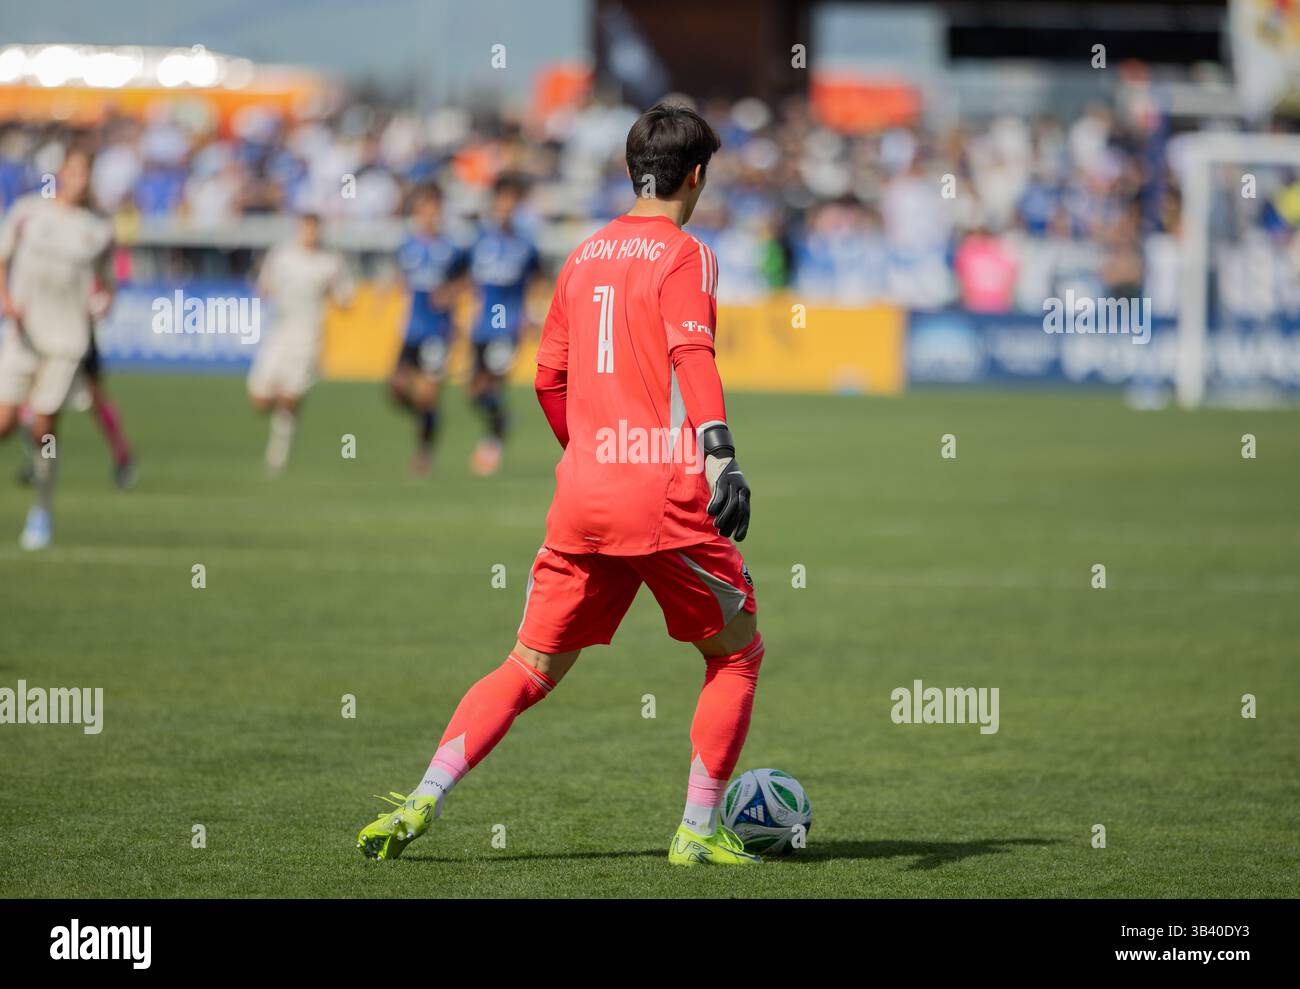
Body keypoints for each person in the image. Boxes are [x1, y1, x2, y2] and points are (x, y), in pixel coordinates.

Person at [357, 103, 762, 866]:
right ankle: (697, 832)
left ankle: (420, 798)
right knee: (735, 654)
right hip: (662, 492)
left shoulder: (581, 255)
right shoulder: (688, 254)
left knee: (527, 666)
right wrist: (720, 454)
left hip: (582, 494)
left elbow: (547, 379)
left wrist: (589, 453)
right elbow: (693, 357)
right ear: (698, 175)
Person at [0, 146, 113, 549]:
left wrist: (104, 301)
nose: (80, 180)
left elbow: (106, 283)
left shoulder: (97, 229)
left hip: (66, 341)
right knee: (4, 424)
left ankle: (41, 511)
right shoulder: (29, 212)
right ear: (62, 173)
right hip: (24, 335)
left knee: (46, 428)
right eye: (75, 171)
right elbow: (3, 258)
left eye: (87, 173)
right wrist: (6, 299)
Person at [248, 213, 354, 473]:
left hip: (308, 336)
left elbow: (345, 300)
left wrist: (334, 291)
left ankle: (278, 454)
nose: (310, 234)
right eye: (306, 228)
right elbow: (263, 286)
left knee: (290, 396)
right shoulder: (281, 255)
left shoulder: (330, 261)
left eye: (314, 229)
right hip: (279, 332)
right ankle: (283, 425)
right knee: (260, 400)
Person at [387, 183, 468, 477]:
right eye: (425, 209)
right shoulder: (407, 246)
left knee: (428, 395)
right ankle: (428, 418)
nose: (429, 215)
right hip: (412, 330)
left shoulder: (452, 249)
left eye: (434, 209)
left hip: (438, 333)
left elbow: (468, 281)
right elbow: (401, 276)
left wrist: (451, 293)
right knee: (395, 390)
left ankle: (424, 452)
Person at [466, 175, 541, 476]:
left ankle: (492, 444)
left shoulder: (525, 246)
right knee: (473, 391)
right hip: (481, 326)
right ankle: (500, 422)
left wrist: (531, 314)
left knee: (490, 383)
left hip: (507, 328)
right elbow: (466, 277)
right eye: (501, 204)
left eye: (511, 204)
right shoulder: (479, 242)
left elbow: (536, 280)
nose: (505, 209)